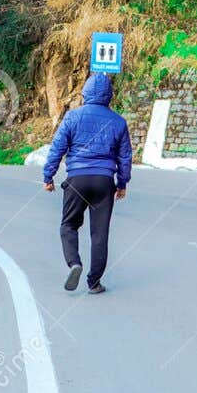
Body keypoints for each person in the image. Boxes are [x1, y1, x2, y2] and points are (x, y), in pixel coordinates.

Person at [42, 72, 131, 294]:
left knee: (69, 225)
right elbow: (125, 157)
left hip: (77, 180)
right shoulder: (119, 122)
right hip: (104, 181)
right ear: (110, 96)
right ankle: (94, 282)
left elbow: (57, 148)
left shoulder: (73, 117)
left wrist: (48, 176)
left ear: (85, 93)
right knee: (100, 234)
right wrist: (122, 184)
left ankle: (74, 263)